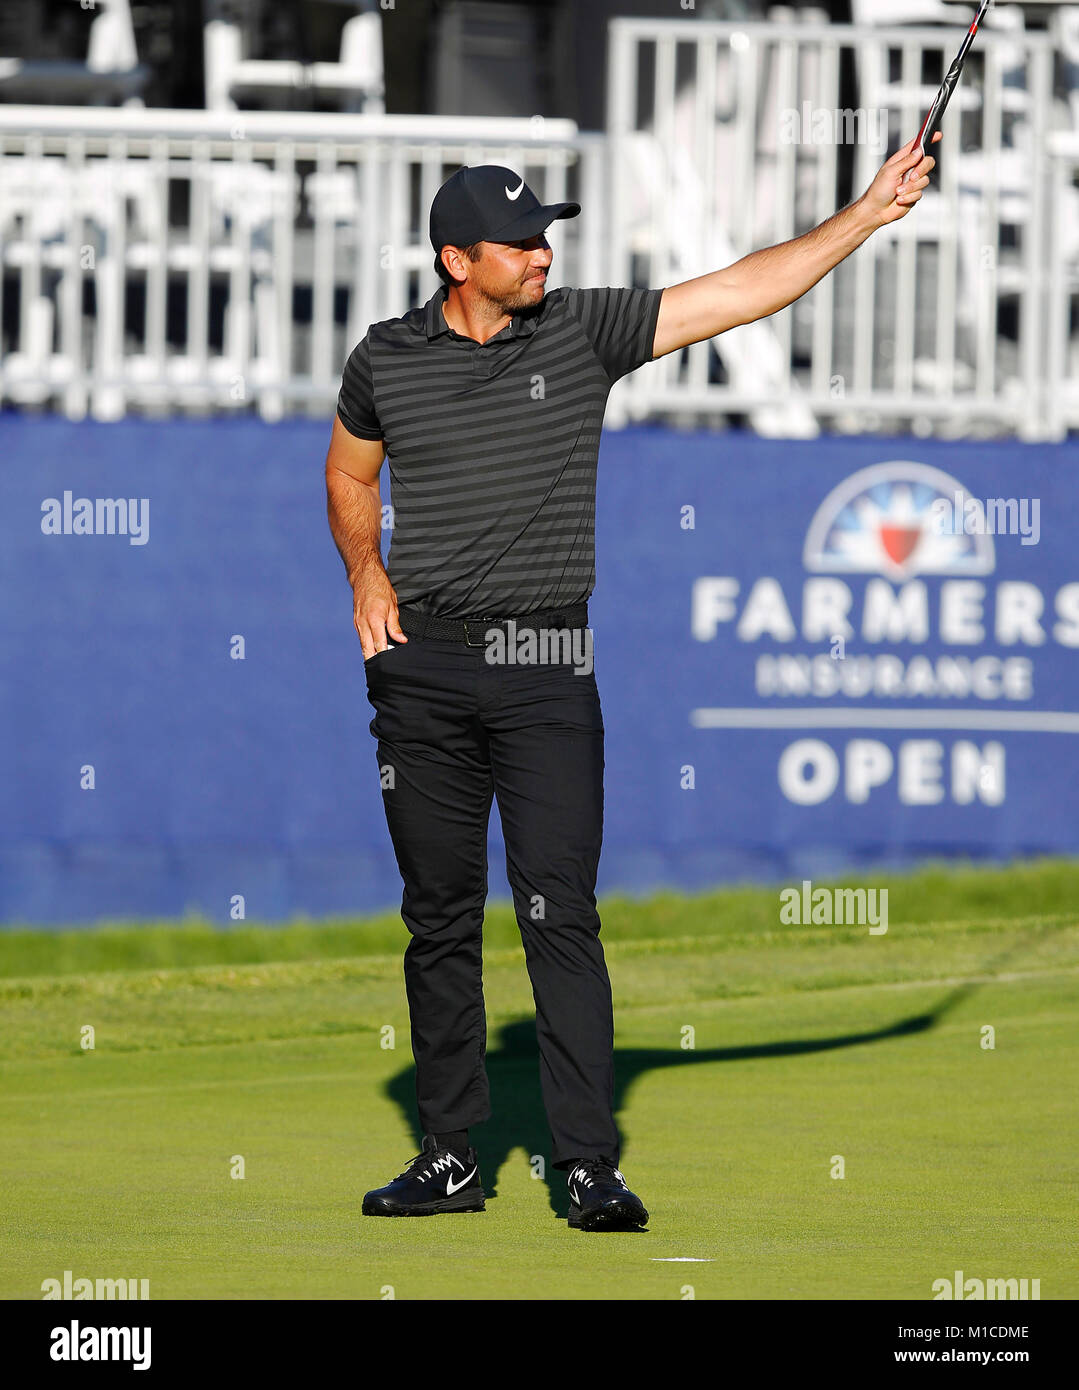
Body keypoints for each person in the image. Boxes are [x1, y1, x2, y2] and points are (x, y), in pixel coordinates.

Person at [325, 136, 938, 1232]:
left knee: (559, 912)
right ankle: (453, 1152)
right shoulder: (385, 358)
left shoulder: (583, 327)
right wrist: (364, 568)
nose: (542, 255)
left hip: (548, 666)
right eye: (520, 243)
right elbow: (347, 469)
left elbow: (742, 291)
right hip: (421, 672)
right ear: (456, 260)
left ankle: (586, 1165)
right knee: (439, 918)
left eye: (547, 235)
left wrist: (863, 215)